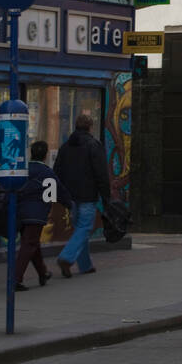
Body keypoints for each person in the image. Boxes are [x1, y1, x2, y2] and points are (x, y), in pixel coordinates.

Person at [53, 113, 111, 277]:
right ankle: (66, 257)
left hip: (71, 196)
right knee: (85, 227)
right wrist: (106, 197)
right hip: (87, 195)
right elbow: (101, 174)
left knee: (80, 228)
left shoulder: (65, 147)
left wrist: (62, 194)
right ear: (90, 127)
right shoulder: (94, 145)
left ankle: (85, 265)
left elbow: (57, 171)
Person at [15, 140, 72, 291]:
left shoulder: (23, 170)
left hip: (20, 213)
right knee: (29, 244)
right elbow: (58, 193)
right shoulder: (48, 173)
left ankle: (43, 272)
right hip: (37, 215)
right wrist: (70, 205)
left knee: (32, 243)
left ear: (31, 153)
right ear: (46, 155)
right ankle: (16, 278)